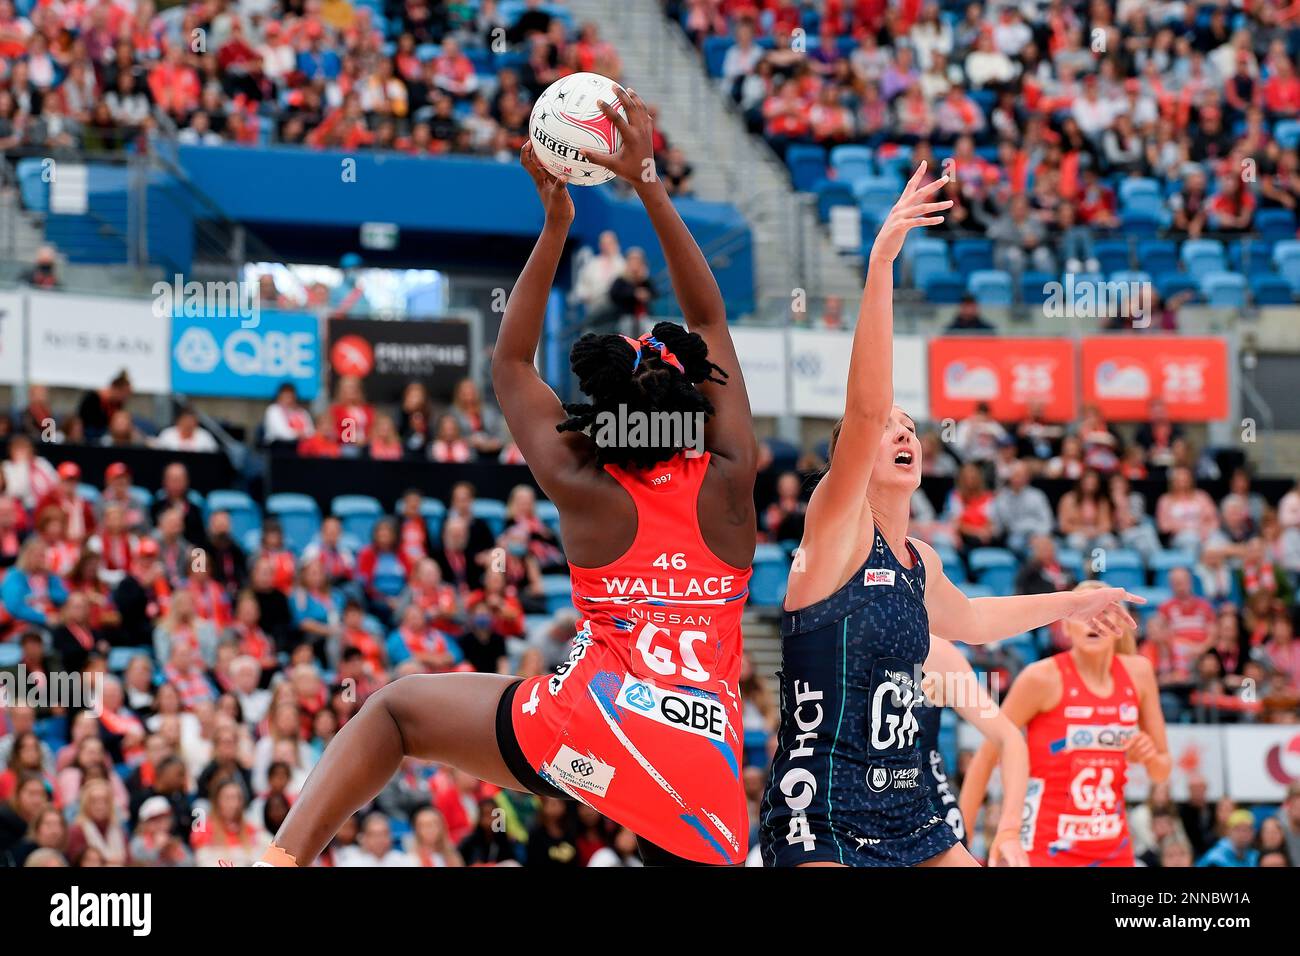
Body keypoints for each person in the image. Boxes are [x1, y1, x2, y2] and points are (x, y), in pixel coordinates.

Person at [263, 88, 757, 868]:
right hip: (698, 769)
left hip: (586, 723)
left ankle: (279, 862)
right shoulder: (729, 482)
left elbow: (510, 363)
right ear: (696, 398)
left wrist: (556, 224)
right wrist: (649, 182)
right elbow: (709, 322)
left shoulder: (581, 477)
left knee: (394, 713)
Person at [760, 166, 1145, 869]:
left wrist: (1078, 599)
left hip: (908, 810)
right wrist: (881, 265)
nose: (903, 433)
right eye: (891, 429)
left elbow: (972, 622)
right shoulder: (835, 523)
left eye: (912, 428)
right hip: (821, 806)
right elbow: (866, 409)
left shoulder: (920, 561)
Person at [963, 580, 1171, 867]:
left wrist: (1149, 757)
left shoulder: (1139, 673)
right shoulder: (1041, 678)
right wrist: (962, 839)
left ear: (1122, 622)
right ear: (1067, 627)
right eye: (1088, 611)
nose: (1096, 621)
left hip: (1113, 848)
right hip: (1044, 845)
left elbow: (1162, 771)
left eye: (1106, 611)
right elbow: (986, 756)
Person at [921, 637, 1029, 865]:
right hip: (849, 818)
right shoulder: (830, 641)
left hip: (930, 816)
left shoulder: (934, 652)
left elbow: (1008, 738)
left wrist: (1009, 829)